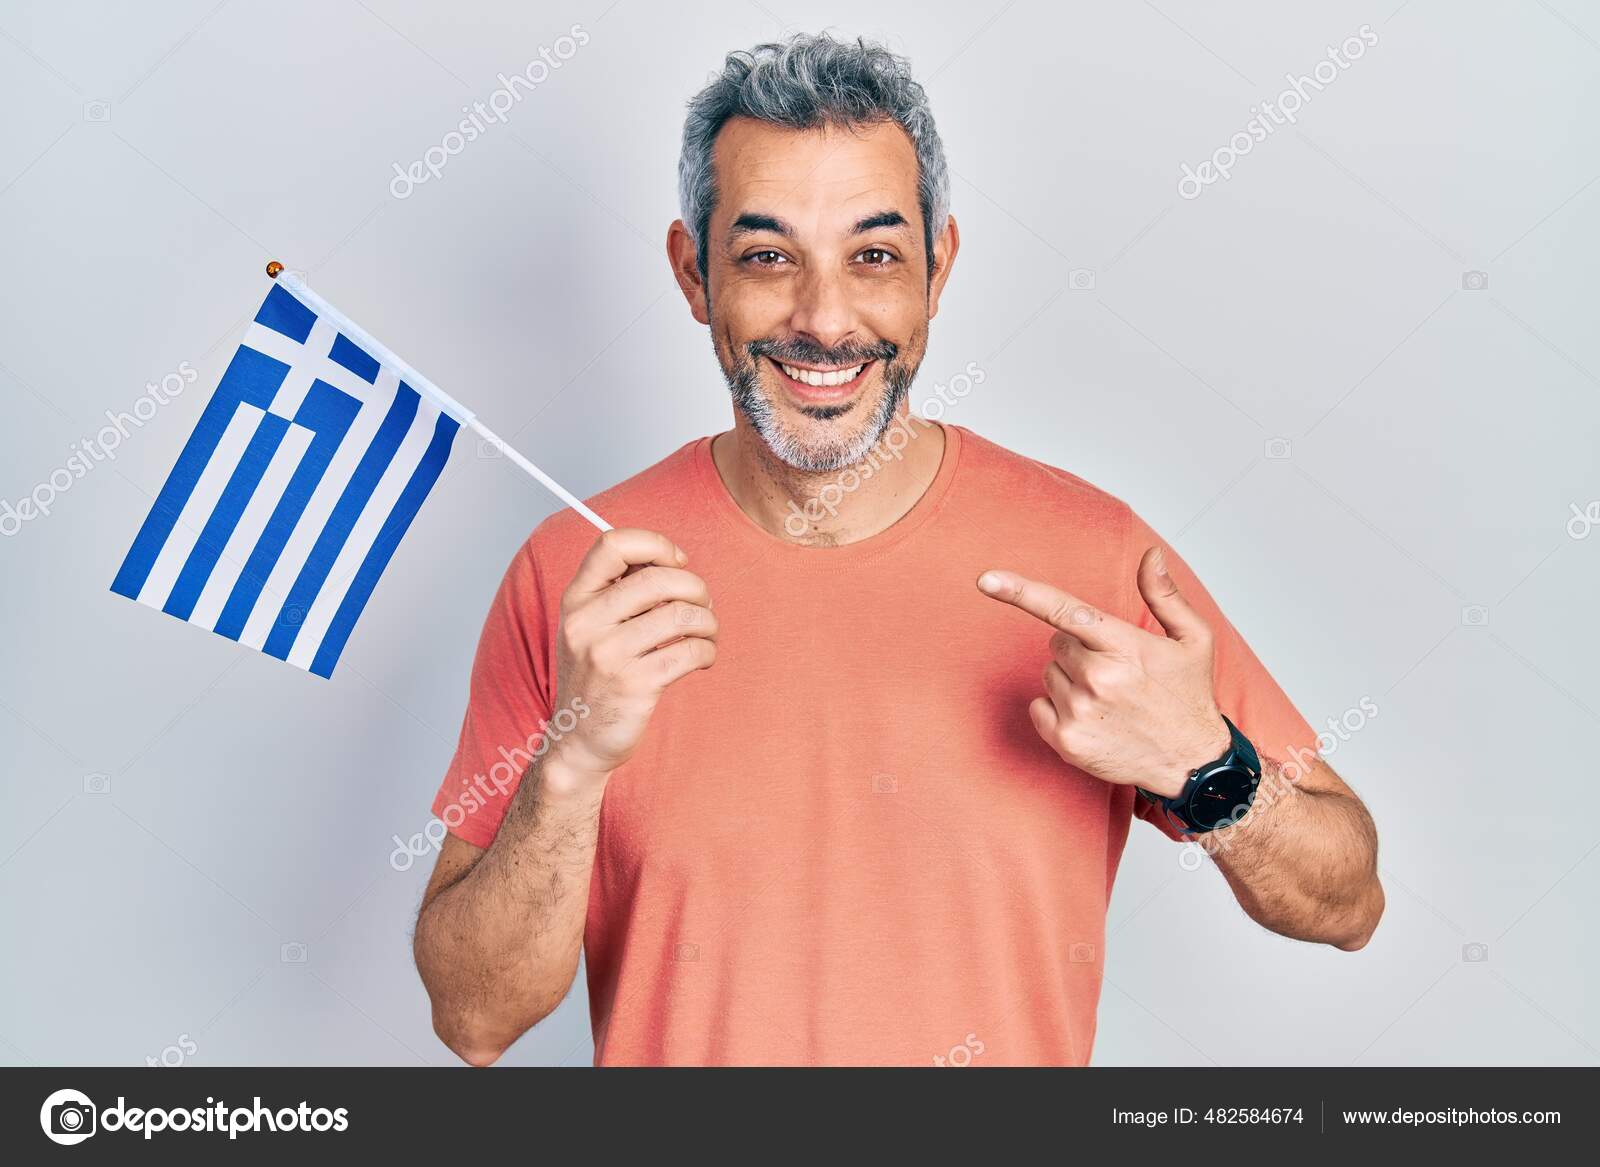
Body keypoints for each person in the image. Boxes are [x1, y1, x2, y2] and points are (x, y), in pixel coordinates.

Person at [413, 32, 1383, 1067]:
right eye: (767, 256)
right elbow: (475, 1020)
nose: (825, 319)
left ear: (938, 268)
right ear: (694, 274)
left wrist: (1205, 766)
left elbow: (1348, 903)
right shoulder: (584, 573)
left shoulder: (1091, 557)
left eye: (873, 256)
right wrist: (571, 767)